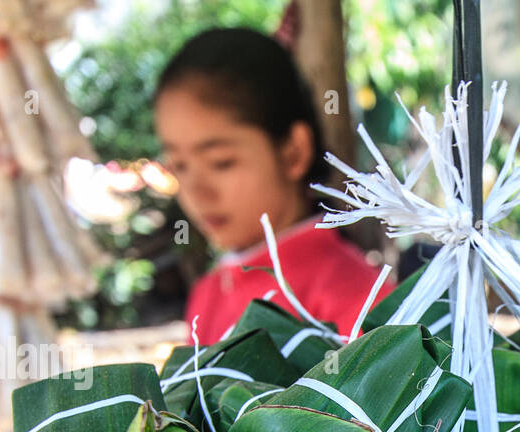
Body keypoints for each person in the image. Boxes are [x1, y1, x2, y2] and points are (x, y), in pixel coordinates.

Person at [154, 27, 394, 343]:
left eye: (221, 162)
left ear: (294, 152)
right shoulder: (207, 295)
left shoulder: (362, 302)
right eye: (180, 166)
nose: (197, 192)